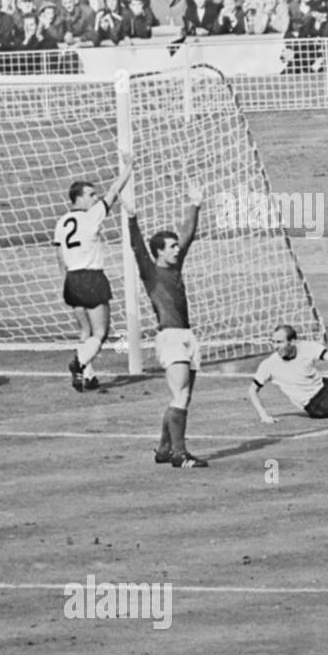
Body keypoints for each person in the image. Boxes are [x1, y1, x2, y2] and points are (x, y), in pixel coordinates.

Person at [125, 179, 208, 468]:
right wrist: (132, 218)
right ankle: (180, 454)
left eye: (175, 246)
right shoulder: (151, 272)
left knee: (182, 397)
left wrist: (195, 205)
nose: (176, 249)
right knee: (180, 396)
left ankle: (163, 449)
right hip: (171, 338)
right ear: (158, 251)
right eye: (170, 247)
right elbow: (137, 248)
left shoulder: (176, 265)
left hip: (187, 336)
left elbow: (187, 235)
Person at [58, 152, 135, 392]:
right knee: (100, 332)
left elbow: (59, 255)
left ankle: (88, 377)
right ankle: (79, 363)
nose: (95, 198)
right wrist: (129, 168)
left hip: (71, 279)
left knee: (85, 330)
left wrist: (64, 282)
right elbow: (113, 191)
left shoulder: (61, 222)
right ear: (78, 199)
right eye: (90, 195)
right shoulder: (91, 216)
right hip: (91, 278)